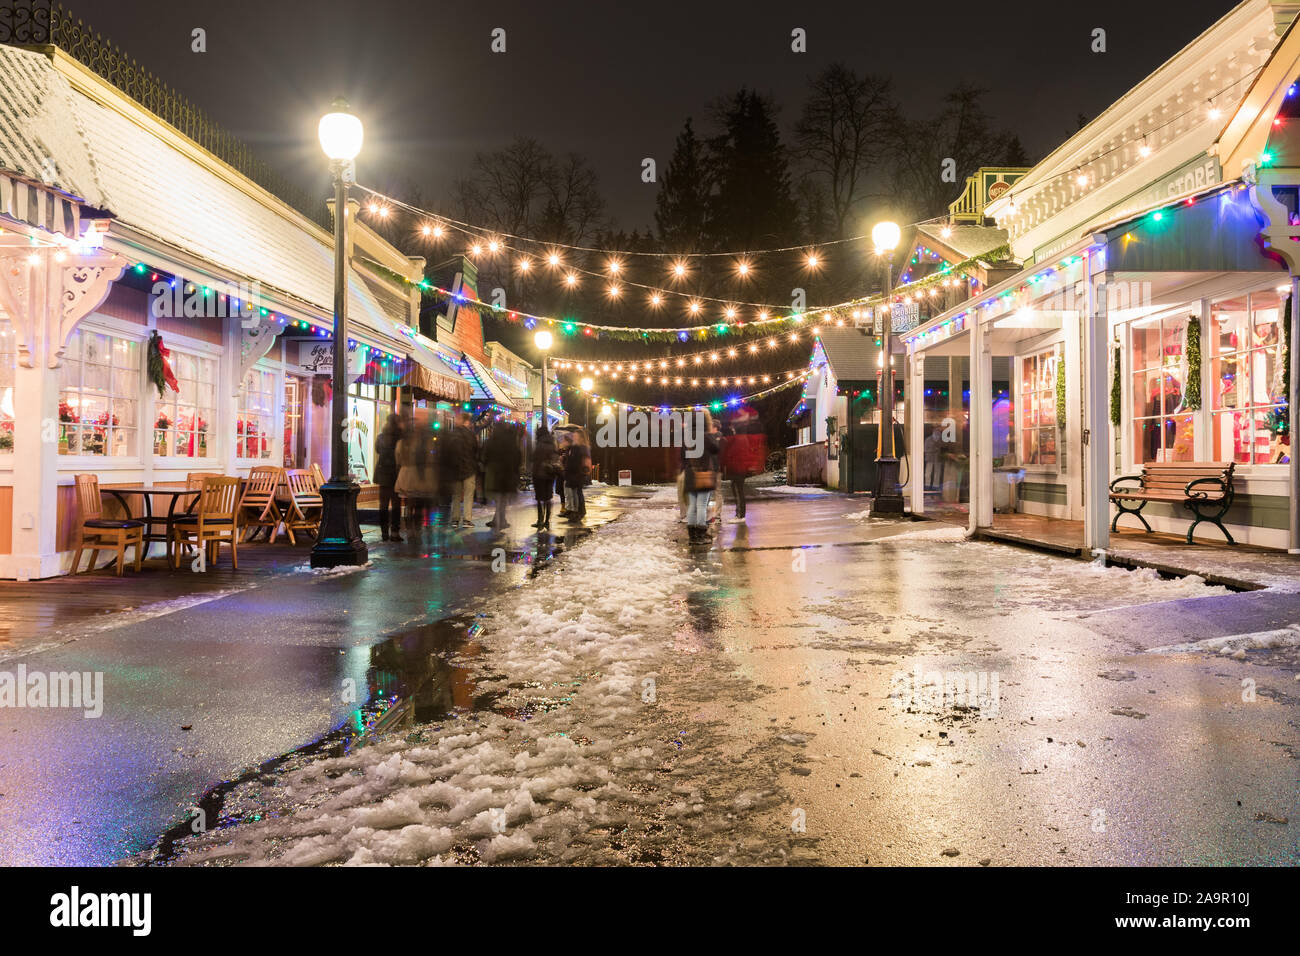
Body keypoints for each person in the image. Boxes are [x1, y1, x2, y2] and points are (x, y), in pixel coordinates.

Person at [682, 411, 720, 544]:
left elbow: (682, 456)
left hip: (690, 473)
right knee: (702, 505)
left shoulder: (687, 436)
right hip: (703, 473)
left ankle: (692, 536)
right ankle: (701, 534)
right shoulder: (706, 436)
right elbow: (716, 449)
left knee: (692, 505)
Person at [395, 416, 436, 537]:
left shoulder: (401, 443)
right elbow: (430, 458)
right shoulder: (424, 442)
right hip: (418, 476)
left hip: (405, 475)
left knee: (409, 504)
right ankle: (416, 528)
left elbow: (397, 459)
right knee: (418, 503)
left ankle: (410, 529)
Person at [443, 411, 479, 528]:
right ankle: (467, 520)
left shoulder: (452, 434)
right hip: (469, 469)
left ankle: (455, 519)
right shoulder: (471, 435)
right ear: (467, 422)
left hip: (455, 470)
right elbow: (476, 451)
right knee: (469, 495)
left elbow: (447, 453)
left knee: (456, 495)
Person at [484, 422, 522, 532]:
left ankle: (498, 522)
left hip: (494, 476)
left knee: (498, 500)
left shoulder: (491, 441)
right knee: (503, 500)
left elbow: (485, 456)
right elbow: (517, 459)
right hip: (507, 476)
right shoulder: (511, 442)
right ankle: (500, 521)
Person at [373, 413, 404, 541]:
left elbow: (377, 450)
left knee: (383, 505)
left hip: (383, 475)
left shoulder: (381, 437)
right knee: (396, 505)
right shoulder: (400, 437)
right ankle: (395, 532)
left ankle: (384, 532)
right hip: (396, 474)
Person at [532, 425, 560, 531]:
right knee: (548, 498)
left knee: (539, 498)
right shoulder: (552, 444)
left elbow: (535, 459)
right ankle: (547, 521)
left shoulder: (539, 444)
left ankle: (540, 520)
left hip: (539, 475)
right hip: (550, 474)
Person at [563, 427, 592, 522]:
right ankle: (577, 512)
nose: (574, 437)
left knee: (577, 493)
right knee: (576, 493)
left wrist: (582, 473)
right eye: (573, 436)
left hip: (577, 474)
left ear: (580, 438)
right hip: (573, 474)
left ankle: (578, 512)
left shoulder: (581, 448)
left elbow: (583, 462)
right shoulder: (575, 447)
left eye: (575, 436)